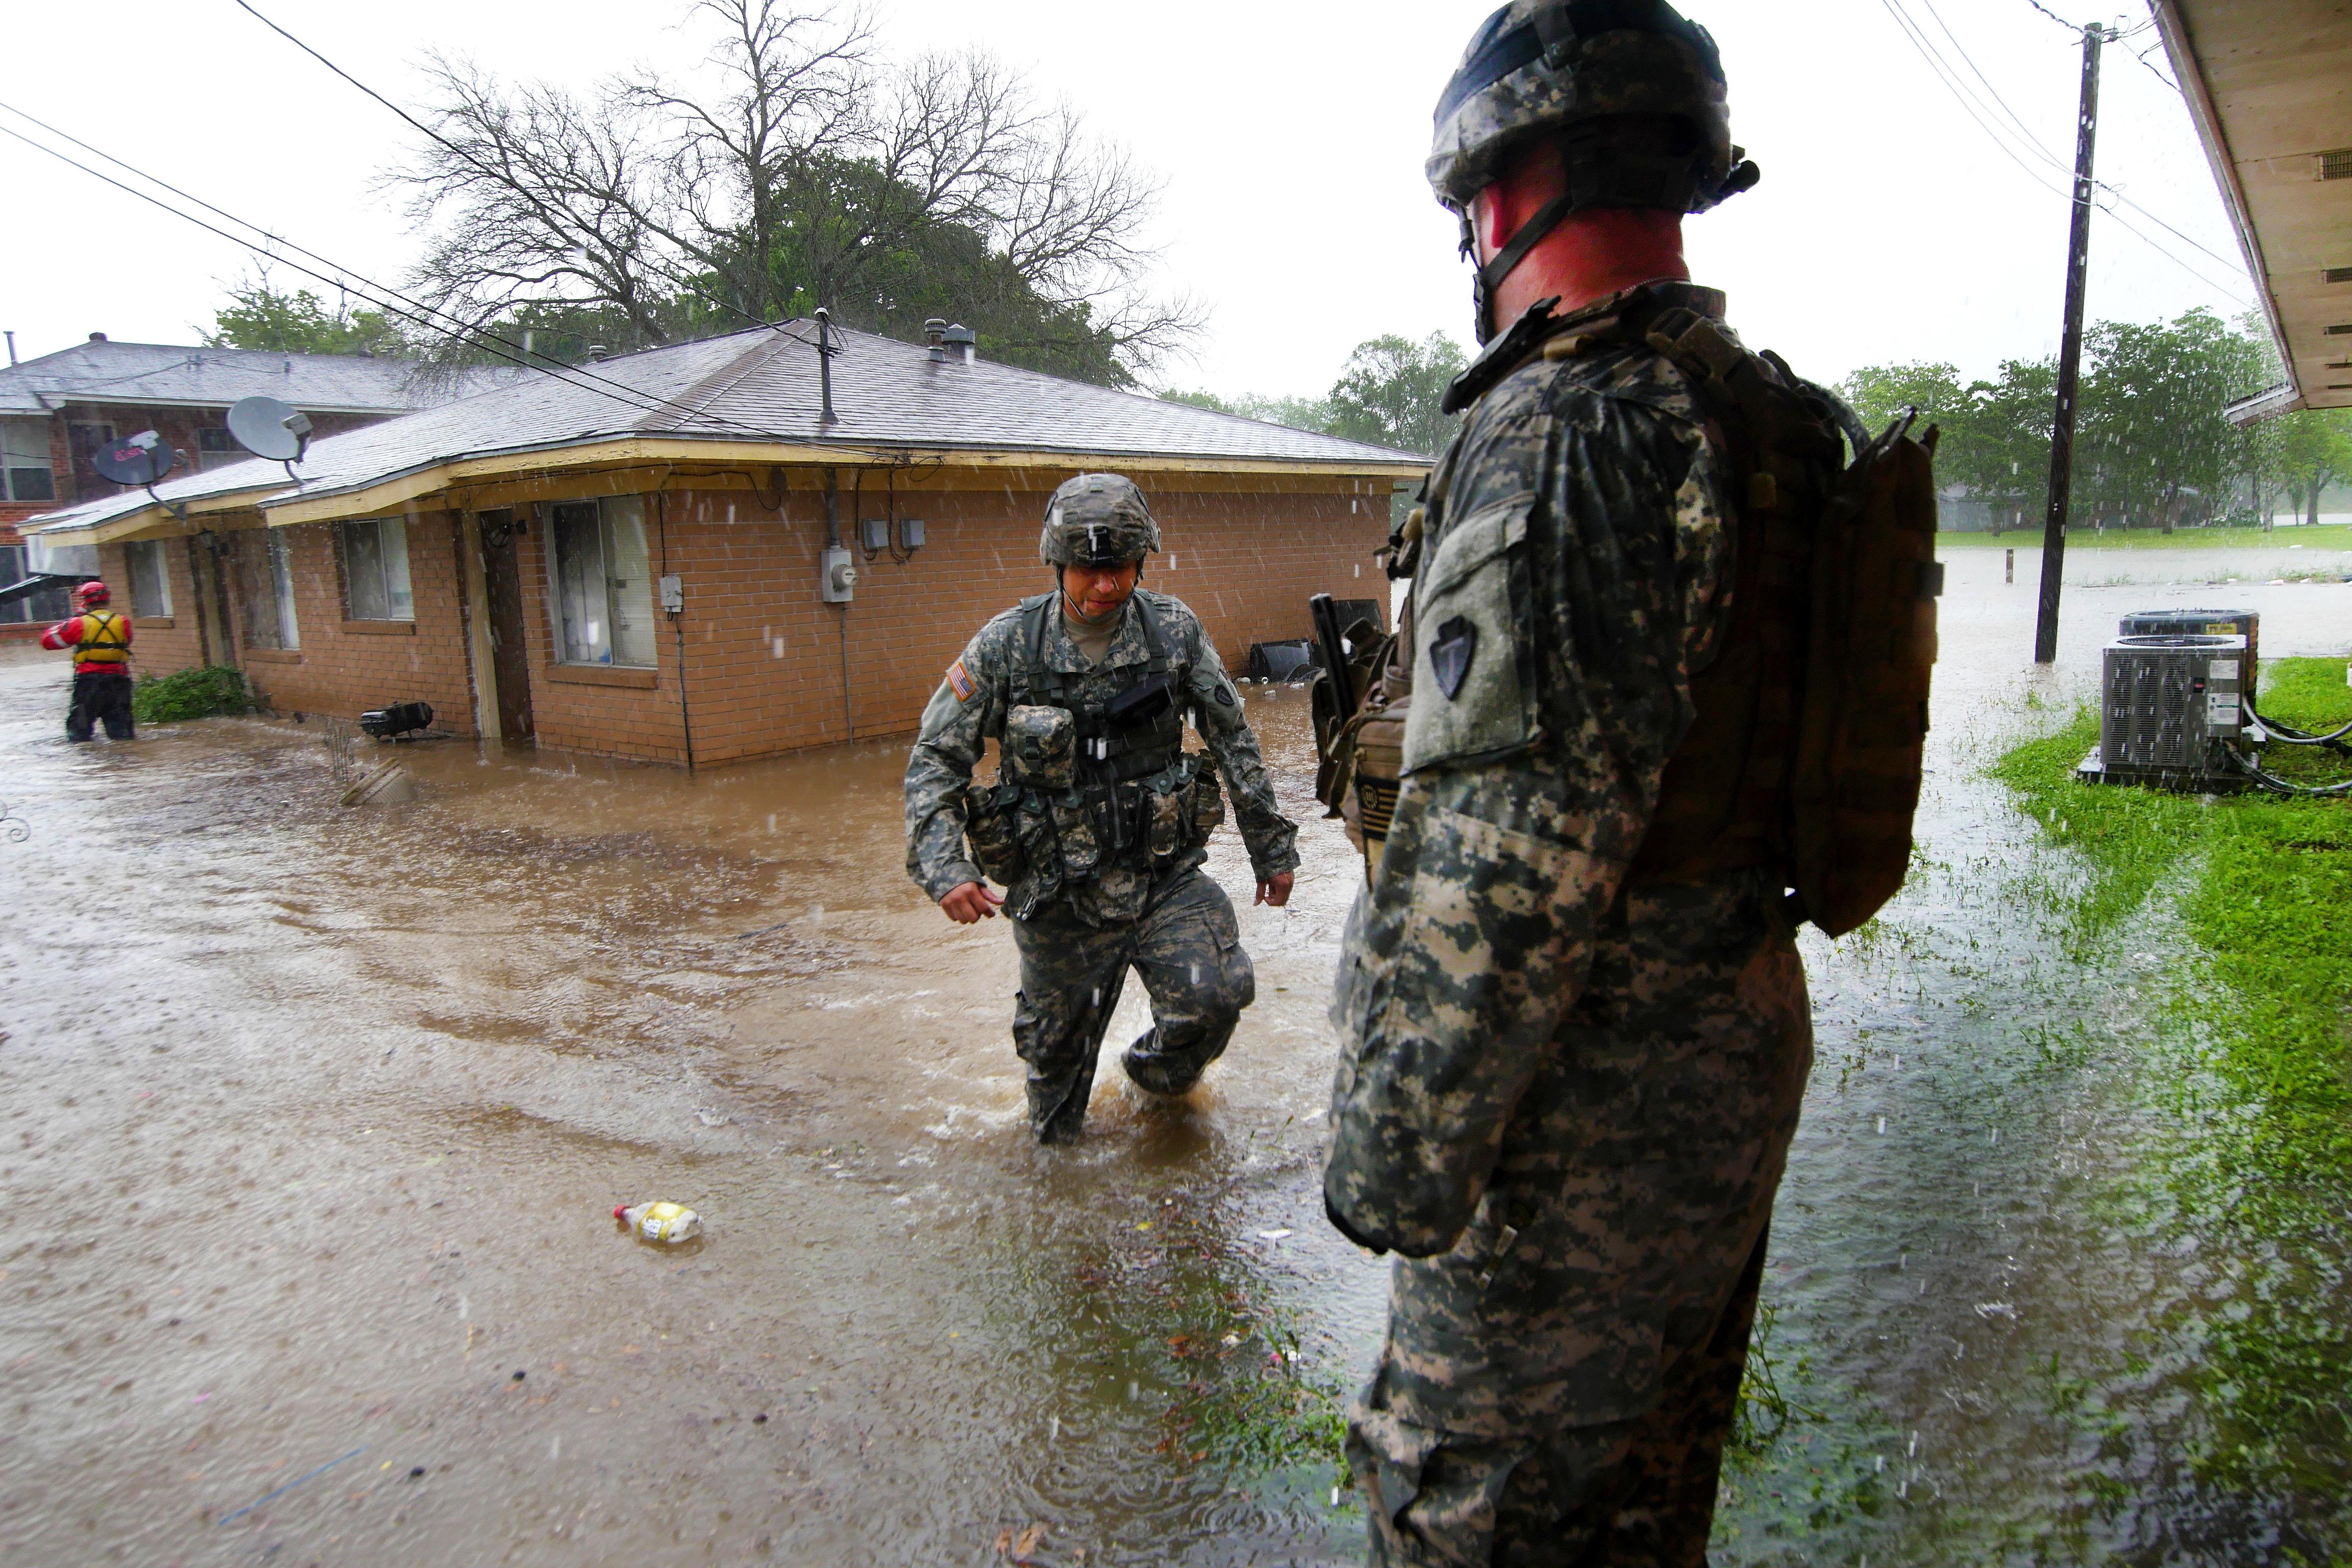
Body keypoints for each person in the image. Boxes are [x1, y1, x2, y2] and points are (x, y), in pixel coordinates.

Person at [1321, 4, 1847, 1562]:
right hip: (1718, 1081)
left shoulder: (1566, 429)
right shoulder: (1762, 416)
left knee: (1477, 1518)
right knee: (1637, 1511)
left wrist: (1388, 1162)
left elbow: (1503, 876)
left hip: (1575, 1149)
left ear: (1496, 192)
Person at [904, 473, 1301, 1144]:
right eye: (1088, 570)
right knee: (1055, 1103)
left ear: (1140, 562)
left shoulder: (1172, 632)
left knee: (1216, 996)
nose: (1105, 586)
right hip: (1059, 893)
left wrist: (1272, 847)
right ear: (1059, 565)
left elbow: (1233, 738)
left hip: (1162, 877)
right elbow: (935, 759)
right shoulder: (1008, 646)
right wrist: (944, 867)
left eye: (1118, 568)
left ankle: (1154, 1087)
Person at [40, 580, 136, 743]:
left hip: (89, 683)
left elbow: (48, 641)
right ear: (108, 599)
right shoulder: (123, 622)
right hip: (119, 683)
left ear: (85, 601)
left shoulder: (78, 623)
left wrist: (77, 616)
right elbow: (127, 641)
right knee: (123, 734)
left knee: (79, 734)